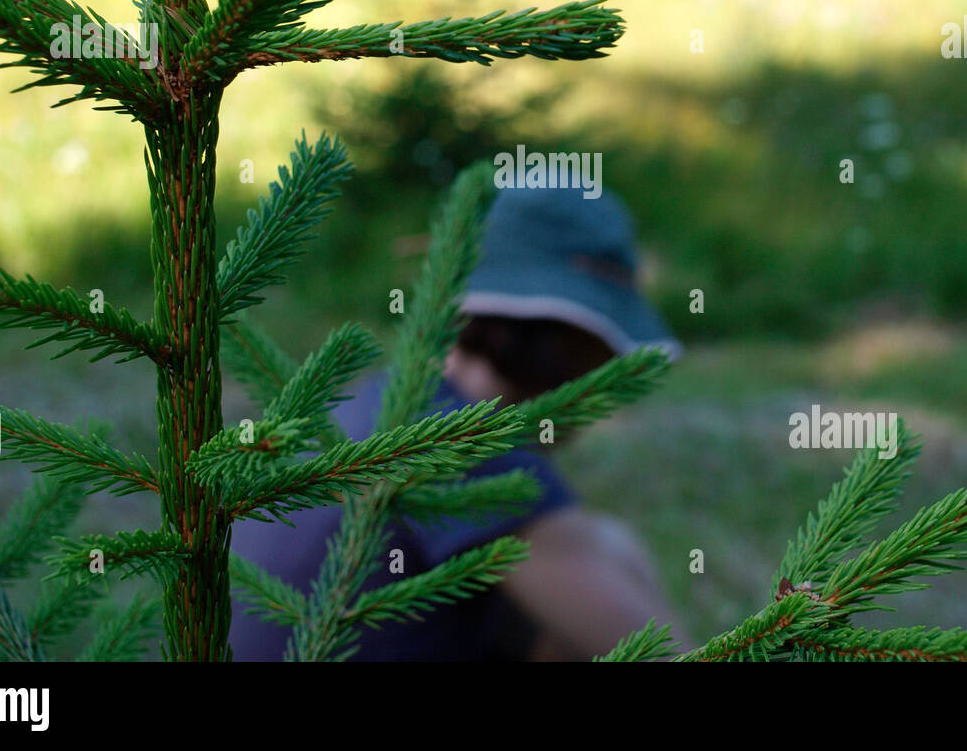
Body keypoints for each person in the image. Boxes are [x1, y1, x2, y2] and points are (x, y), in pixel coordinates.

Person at [229, 185, 685, 661]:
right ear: (570, 342)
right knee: (606, 552)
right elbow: (667, 655)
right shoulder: (469, 450)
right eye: (606, 351)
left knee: (606, 545)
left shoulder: (378, 403)